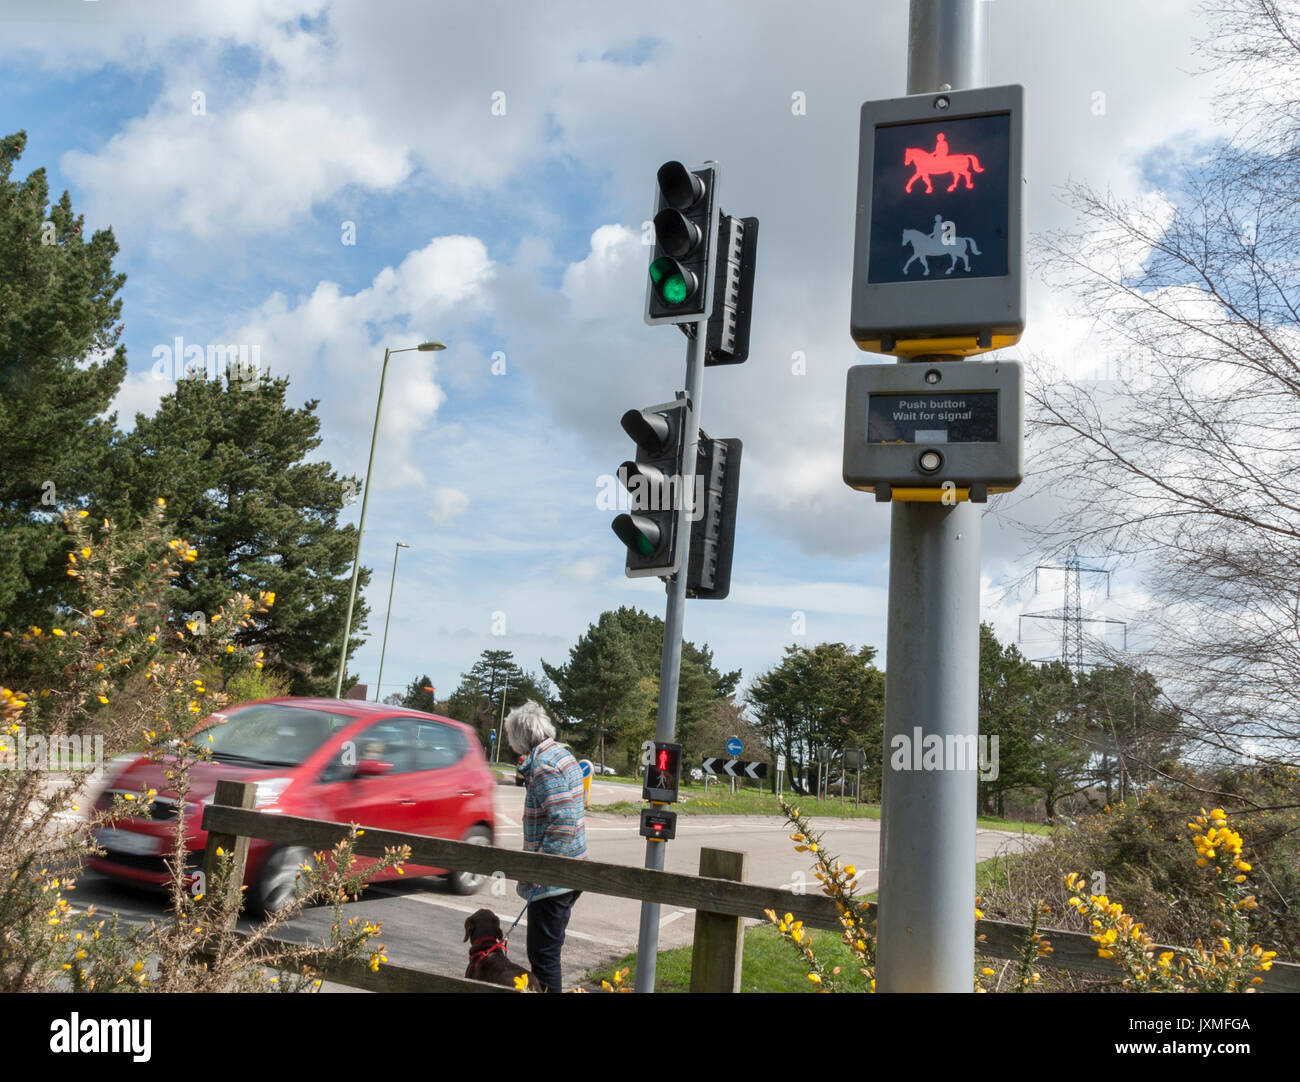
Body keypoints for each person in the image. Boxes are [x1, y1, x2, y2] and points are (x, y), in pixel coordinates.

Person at [503, 700, 586, 992]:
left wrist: (539, 868)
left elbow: (563, 821)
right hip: (571, 870)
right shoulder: (562, 755)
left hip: (553, 878)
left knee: (544, 957)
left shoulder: (542, 766)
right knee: (547, 953)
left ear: (520, 735)